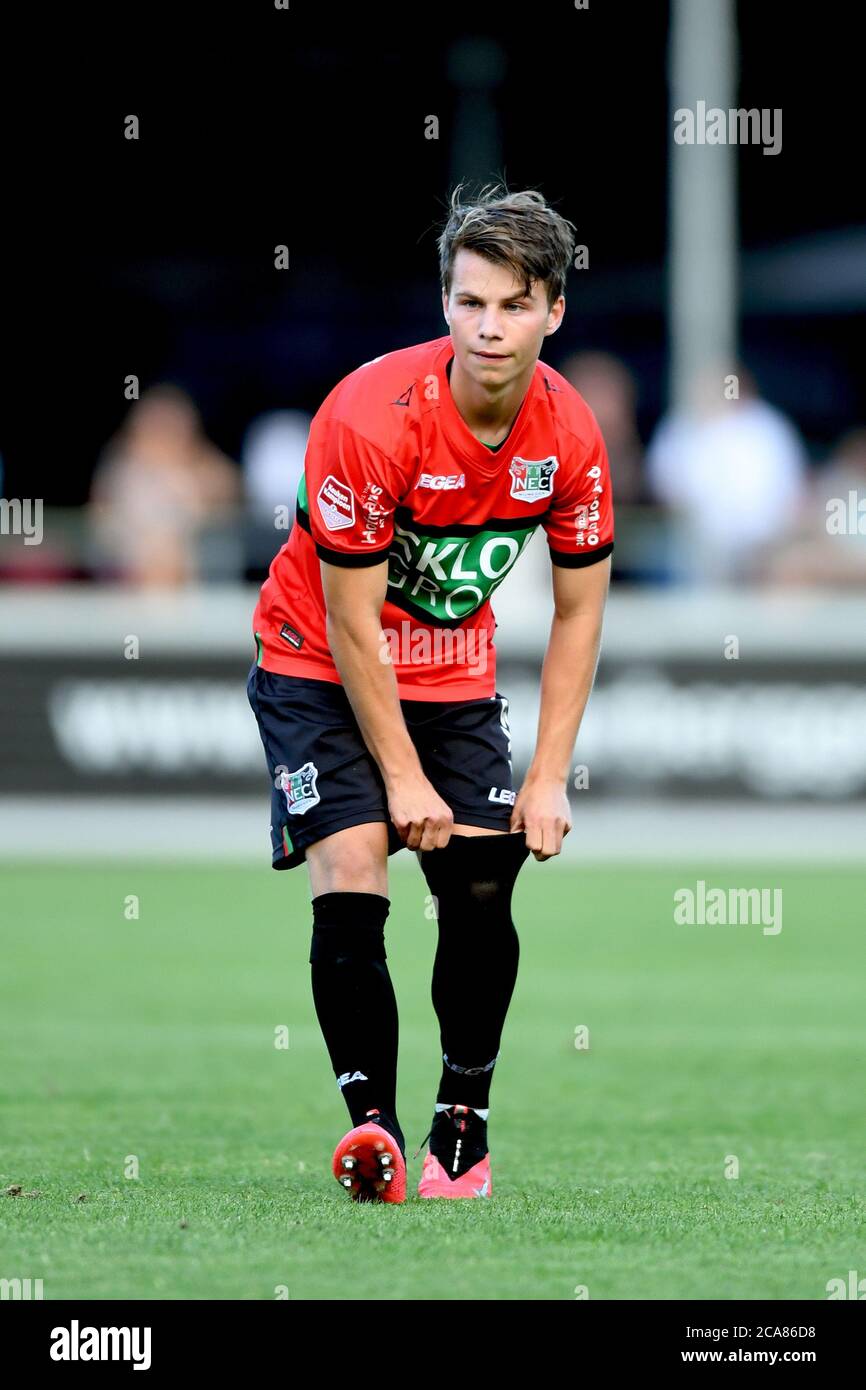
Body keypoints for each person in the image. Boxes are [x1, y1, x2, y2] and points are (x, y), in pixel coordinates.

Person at [247, 184, 615, 1203]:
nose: (486, 326)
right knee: (355, 861)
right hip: (316, 660)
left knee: (481, 879)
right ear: (444, 302)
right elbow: (354, 623)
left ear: (552, 311)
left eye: (510, 304)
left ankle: (463, 1112)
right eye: (467, 302)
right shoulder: (367, 419)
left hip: (453, 672)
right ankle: (373, 1129)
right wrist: (402, 780)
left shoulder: (571, 436)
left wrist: (547, 777)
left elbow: (578, 613)